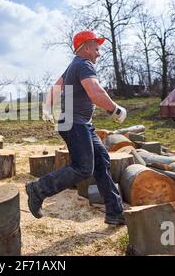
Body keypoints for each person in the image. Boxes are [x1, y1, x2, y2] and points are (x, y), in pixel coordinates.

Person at [26, 30, 127, 225]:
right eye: (97, 49)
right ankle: (38, 189)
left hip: (81, 123)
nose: (99, 53)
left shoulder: (74, 65)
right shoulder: (84, 64)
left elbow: (56, 87)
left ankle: (115, 212)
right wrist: (114, 109)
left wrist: (47, 108)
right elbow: (95, 91)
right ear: (87, 47)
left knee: (101, 162)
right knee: (83, 168)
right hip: (74, 122)